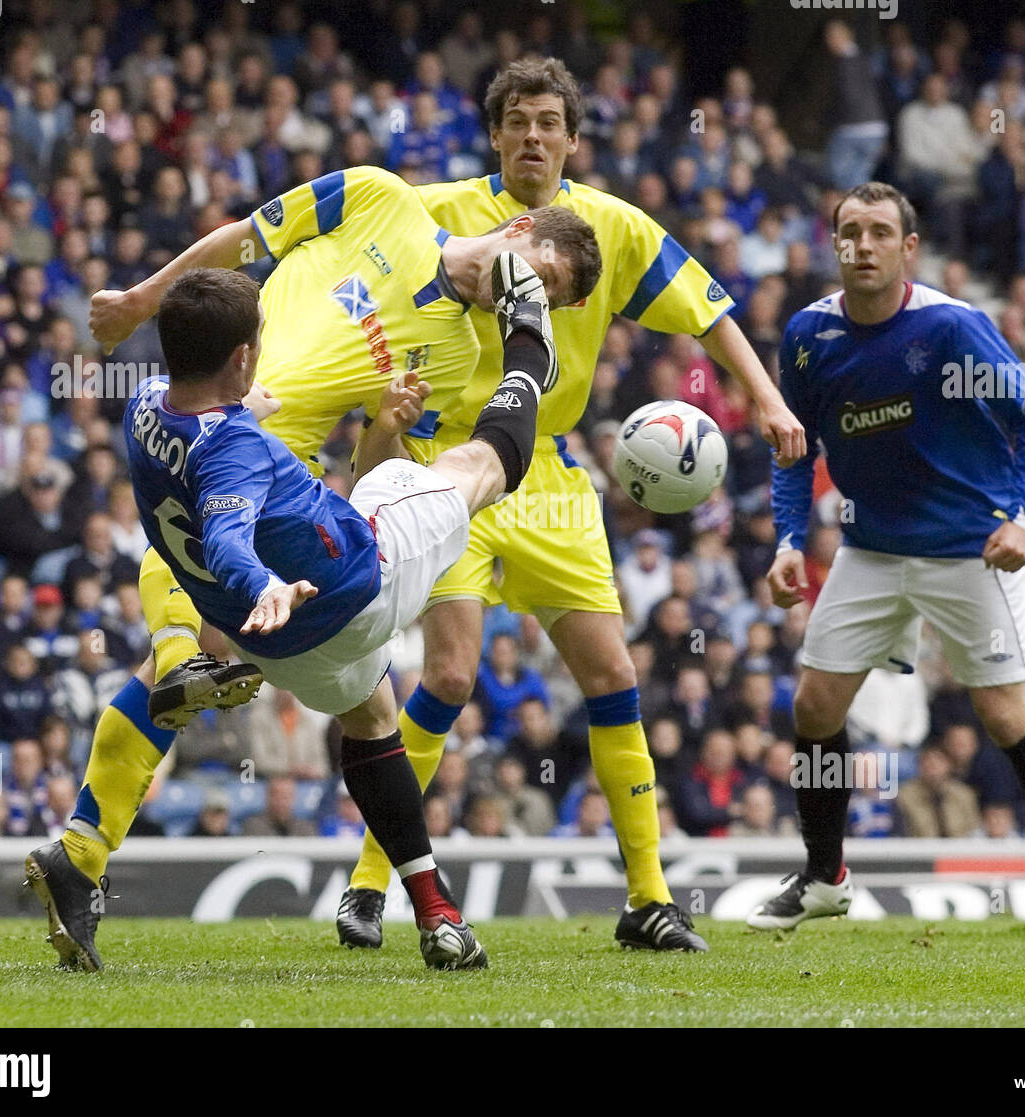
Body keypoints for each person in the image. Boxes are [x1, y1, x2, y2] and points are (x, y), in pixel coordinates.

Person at [25, 162, 597, 970]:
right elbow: (242, 241)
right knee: (467, 483)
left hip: (260, 489)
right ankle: (182, 663)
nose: (521, 297)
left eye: (544, 300)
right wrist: (140, 300)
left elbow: (374, 472)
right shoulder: (378, 197)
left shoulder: (455, 350)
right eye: (539, 279)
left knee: (367, 706)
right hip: (237, 475)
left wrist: (385, 428)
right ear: (518, 231)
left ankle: (84, 849)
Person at [340, 57, 804, 954]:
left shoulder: (612, 229)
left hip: (547, 475)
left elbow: (711, 312)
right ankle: (371, 885)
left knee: (613, 677)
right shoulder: (434, 211)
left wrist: (770, 401)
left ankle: (647, 897)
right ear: (495, 133)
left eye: (549, 122)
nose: (533, 137)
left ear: (572, 138)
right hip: (446, 461)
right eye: (517, 121)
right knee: (447, 675)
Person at [752, 181, 1025, 935]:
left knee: (1006, 716)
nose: (863, 245)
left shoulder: (954, 328)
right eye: (850, 232)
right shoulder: (806, 337)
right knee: (814, 705)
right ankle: (826, 876)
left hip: (969, 548)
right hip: (872, 548)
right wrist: (790, 538)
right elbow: (793, 451)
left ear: (908, 248)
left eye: (880, 232)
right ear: (835, 243)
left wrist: (1023, 516)